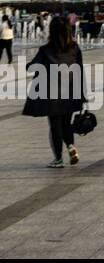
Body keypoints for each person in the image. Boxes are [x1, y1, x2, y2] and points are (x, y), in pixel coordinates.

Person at [22, 14, 87, 167]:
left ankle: (58, 160)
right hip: (71, 91)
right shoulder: (74, 48)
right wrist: (83, 93)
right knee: (66, 123)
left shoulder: (46, 50)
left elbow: (31, 67)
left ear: (51, 31)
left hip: (50, 93)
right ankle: (71, 146)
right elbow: (80, 70)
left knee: (55, 126)